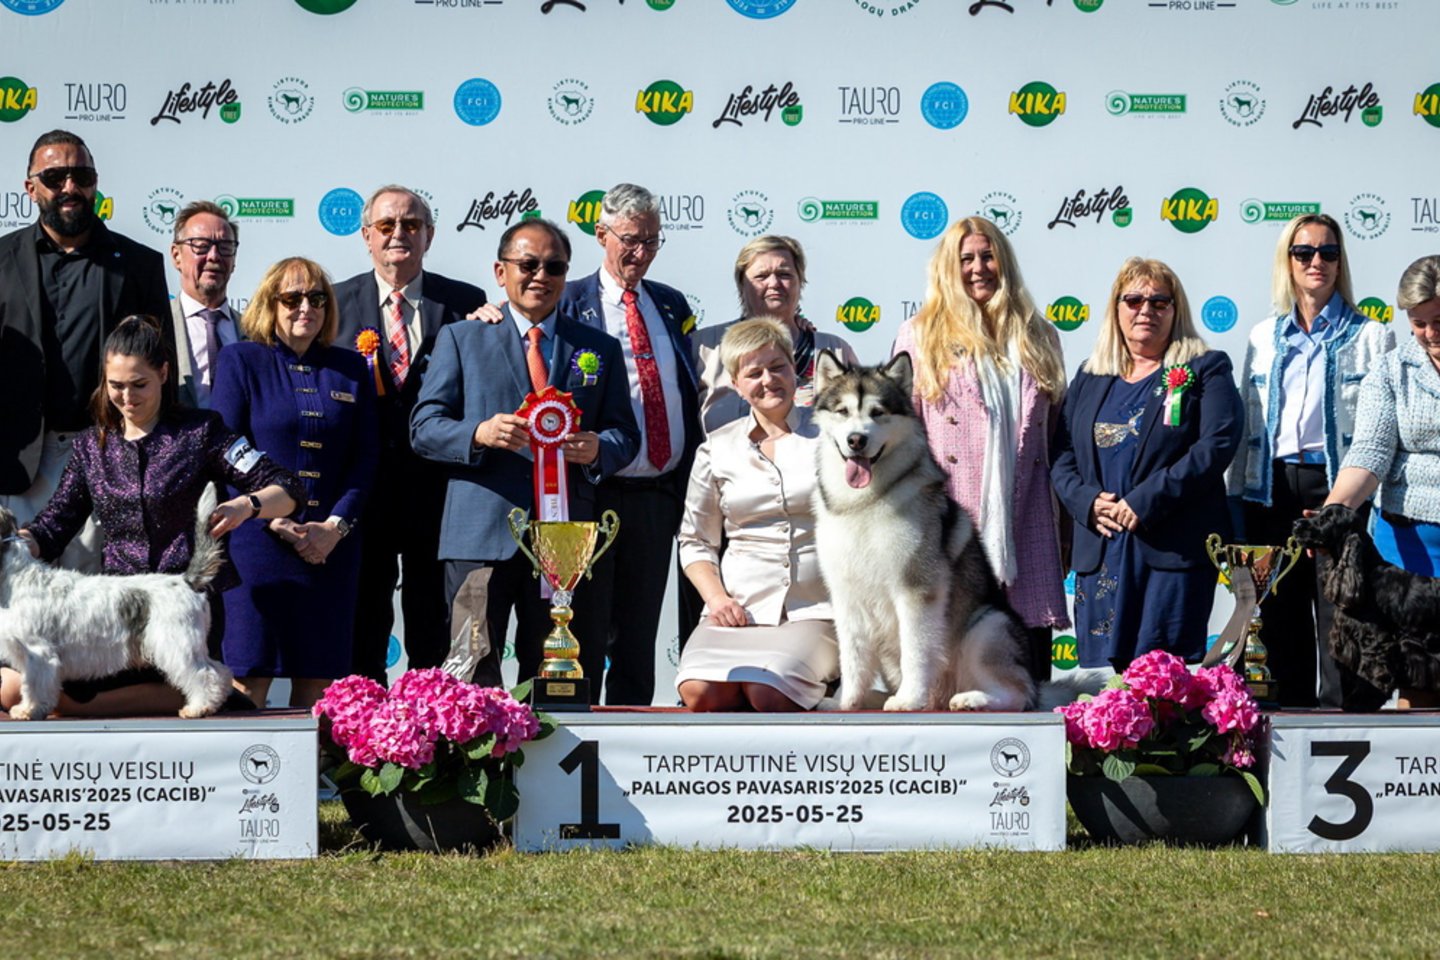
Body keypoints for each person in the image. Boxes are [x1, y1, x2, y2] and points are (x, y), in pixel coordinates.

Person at [0, 316, 301, 716]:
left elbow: (288, 487)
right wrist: (17, 543)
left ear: (163, 373)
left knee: (69, 702)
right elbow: (54, 525)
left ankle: (209, 695)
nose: (126, 398)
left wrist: (247, 505)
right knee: (9, 685)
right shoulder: (92, 446)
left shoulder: (203, 432)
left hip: (183, 602)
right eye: (115, 386)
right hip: (110, 619)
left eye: (139, 384)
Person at [409, 219, 638, 691]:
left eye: (554, 266)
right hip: (478, 541)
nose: (540, 275)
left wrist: (599, 448)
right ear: (500, 271)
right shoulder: (461, 338)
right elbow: (424, 428)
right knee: (472, 673)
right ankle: (477, 767)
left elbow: (625, 434)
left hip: (565, 542)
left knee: (560, 675)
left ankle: (554, 767)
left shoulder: (599, 348)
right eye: (527, 264)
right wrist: (479, 433)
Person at [891, 217, 1069, 682]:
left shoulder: (1039, 336)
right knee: (949, 666)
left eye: (988, 256)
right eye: (965, 258)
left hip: (1025, 522)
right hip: (949, 526)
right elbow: (903, 437)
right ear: (948, 268)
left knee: (1026, 670)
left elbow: (1054, 442)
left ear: (1004, 263)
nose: (978, 268)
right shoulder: (919, 335)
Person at [1228, 213, 1395, 709]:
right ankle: (1296, 725)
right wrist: (1238, 499)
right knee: (1279, 616)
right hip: (1271, 486)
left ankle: (1351, 721)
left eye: (1328, 252)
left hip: (1339, 486)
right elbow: (1249, 429)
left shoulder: (1373, 336)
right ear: (1288, 260)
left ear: (1341, 261)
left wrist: (1342, 502)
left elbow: (1373, 431)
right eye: (1304, 252)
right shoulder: (1262, 336)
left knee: (1344, 613)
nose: (1316, 262)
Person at [1051, 257, 1243, 671]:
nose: (1146, 310)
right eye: (1134, 299)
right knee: (1105, 692)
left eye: (1159, 301)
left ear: (1176, 310)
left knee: (1162, 685)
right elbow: (1061, 454)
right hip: (1102, 556)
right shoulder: (1089, 375)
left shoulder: (1205, 368)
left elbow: (1216, 445)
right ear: (1116, 309)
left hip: (1168, 554)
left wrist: (1146, 500)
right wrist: (1086, 501)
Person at [556, 183, 702, 706]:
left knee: (639, 635)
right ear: (602, 234)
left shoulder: (670, 303)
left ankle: (634, 736)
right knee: (587, 631)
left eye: (652, 241)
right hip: (593, 490)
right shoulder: (568, 302)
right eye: (631, 240)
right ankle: (581, 738)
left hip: (659, 494)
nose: (641, 252)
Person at [334, 185, 488, 683]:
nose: (399, 234)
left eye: (411, 225)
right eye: (386, 226)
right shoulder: (334, 303)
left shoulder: (466, 302)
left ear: (430, 235)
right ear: (366, 236)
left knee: (433, 621)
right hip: (362, 493)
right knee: (362, 619)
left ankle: (433, 733)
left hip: (438, 492)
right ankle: (360, 735)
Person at [0, 129, 171, 572]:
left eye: (82, 176)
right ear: (31, 187)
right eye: (55, 176)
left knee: (97, 610)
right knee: (18, 615)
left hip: (106, 452)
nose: (70, 187)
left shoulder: (139, 265)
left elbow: (160, 372)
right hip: (20, 463)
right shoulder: (1, 260)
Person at [211, 258, 378, 709]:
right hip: (256, 547)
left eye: (317, 298)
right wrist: (273, 520)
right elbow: (225, 452)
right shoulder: (241, 359)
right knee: (249, 680)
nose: (306, 307)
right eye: (292, 298)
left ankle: (315, 779)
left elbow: (364, 461)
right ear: (270, 303)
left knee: (320, 685)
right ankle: (244, 780)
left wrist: (334, 528)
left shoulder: (350, 368)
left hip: (331, 551)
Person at [676, 317, 838, 711]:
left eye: (778, 366)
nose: (769, 379)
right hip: (737, 612)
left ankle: (838, 706)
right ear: (735, 384)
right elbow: (695, 541)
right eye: (754, 372)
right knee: (701, 693)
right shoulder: (716, 448)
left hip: (818, 609)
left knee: (769, 692)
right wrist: (716, 600)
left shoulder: (834, 437)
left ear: (796, 370)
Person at [1323, 254, 1440, 709]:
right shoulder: (1391, 370)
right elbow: (1370, 453)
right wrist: (1334, 512)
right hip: (1408, 554)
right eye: (1420, 323)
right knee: (1418, 682)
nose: (1431, 334)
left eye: (1439, 320)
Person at [693, 235, 858, 433]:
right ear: (741, 285)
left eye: (784, 274)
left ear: (801, 281)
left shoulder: (834, 350)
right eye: (761, 276)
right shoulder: (704, 348)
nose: (774, 283)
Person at [168, 201, 242, 409]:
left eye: (225, 247)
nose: (214, 256)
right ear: (176, 255)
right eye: (200, 245)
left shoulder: (255, 333)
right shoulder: (157, 326)